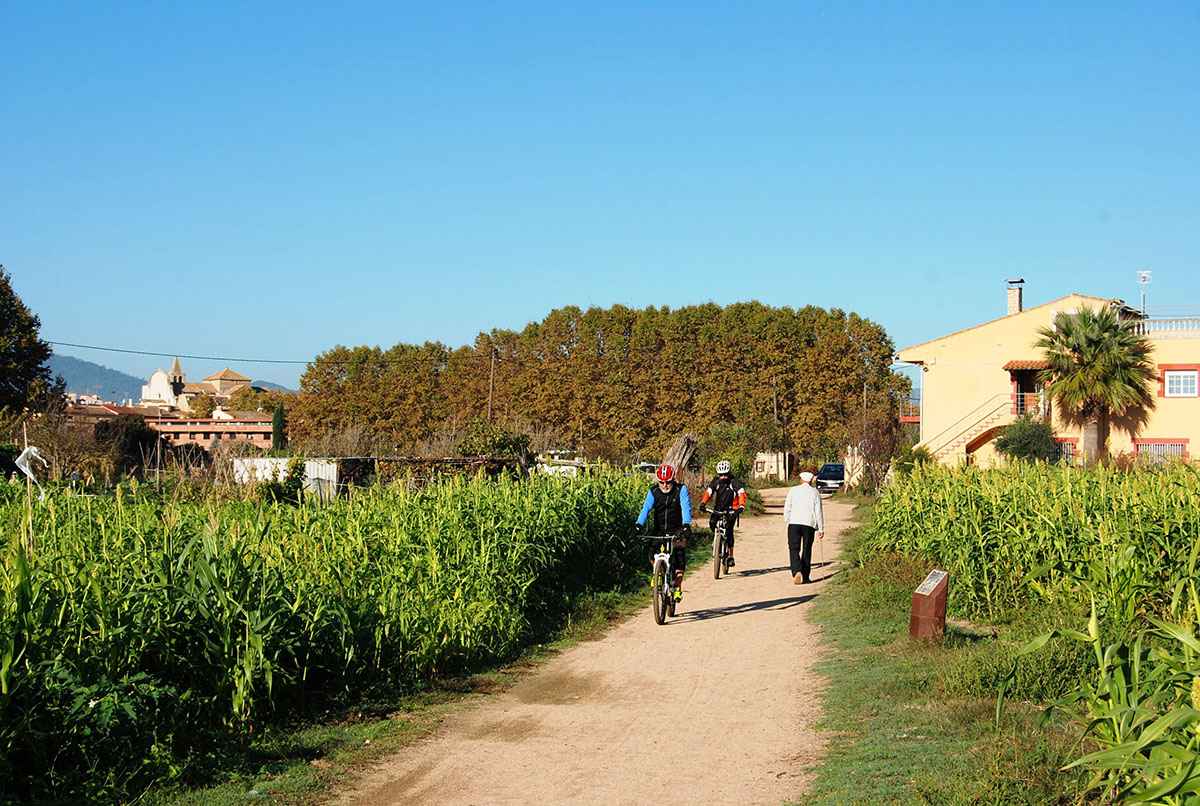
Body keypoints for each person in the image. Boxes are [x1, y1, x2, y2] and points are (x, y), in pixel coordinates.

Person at [628, 464, 692, 600]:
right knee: (651, 552)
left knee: (679, 555)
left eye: (668, 482)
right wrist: (638, 525)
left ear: (673, 480)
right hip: (659, 529)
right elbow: (645, 509)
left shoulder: (681, 489)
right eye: (661, 482)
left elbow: (686, 508)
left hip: (678, 528)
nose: (664, 485)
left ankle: (678, 588)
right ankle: (659, 573)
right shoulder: (653, 492)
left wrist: (686, 525)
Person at [698, 460, 746, 567]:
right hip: (718, 508)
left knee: (729, 531)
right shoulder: (715, 482)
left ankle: (730, 555)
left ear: (729, 473)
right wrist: (703, 503)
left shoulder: (735, 482)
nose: (723, 477)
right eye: (721, 475)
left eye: (725, 474)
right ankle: (717, 540)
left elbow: (741, 493)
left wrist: (741, 506)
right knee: (711, 523)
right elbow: (708, 493)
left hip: (732, 509)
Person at [783, 470, 824, 584]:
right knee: (807, 549)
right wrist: (821, 528)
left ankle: (797, 571)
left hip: (794, 523)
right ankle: (805, 576)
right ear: (811, 482)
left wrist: (788, 522)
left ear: (801, 480)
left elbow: (787, 508)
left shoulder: (793, 490)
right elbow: (818, 512)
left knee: (794, 548)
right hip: (809, 524)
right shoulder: (815, 492)